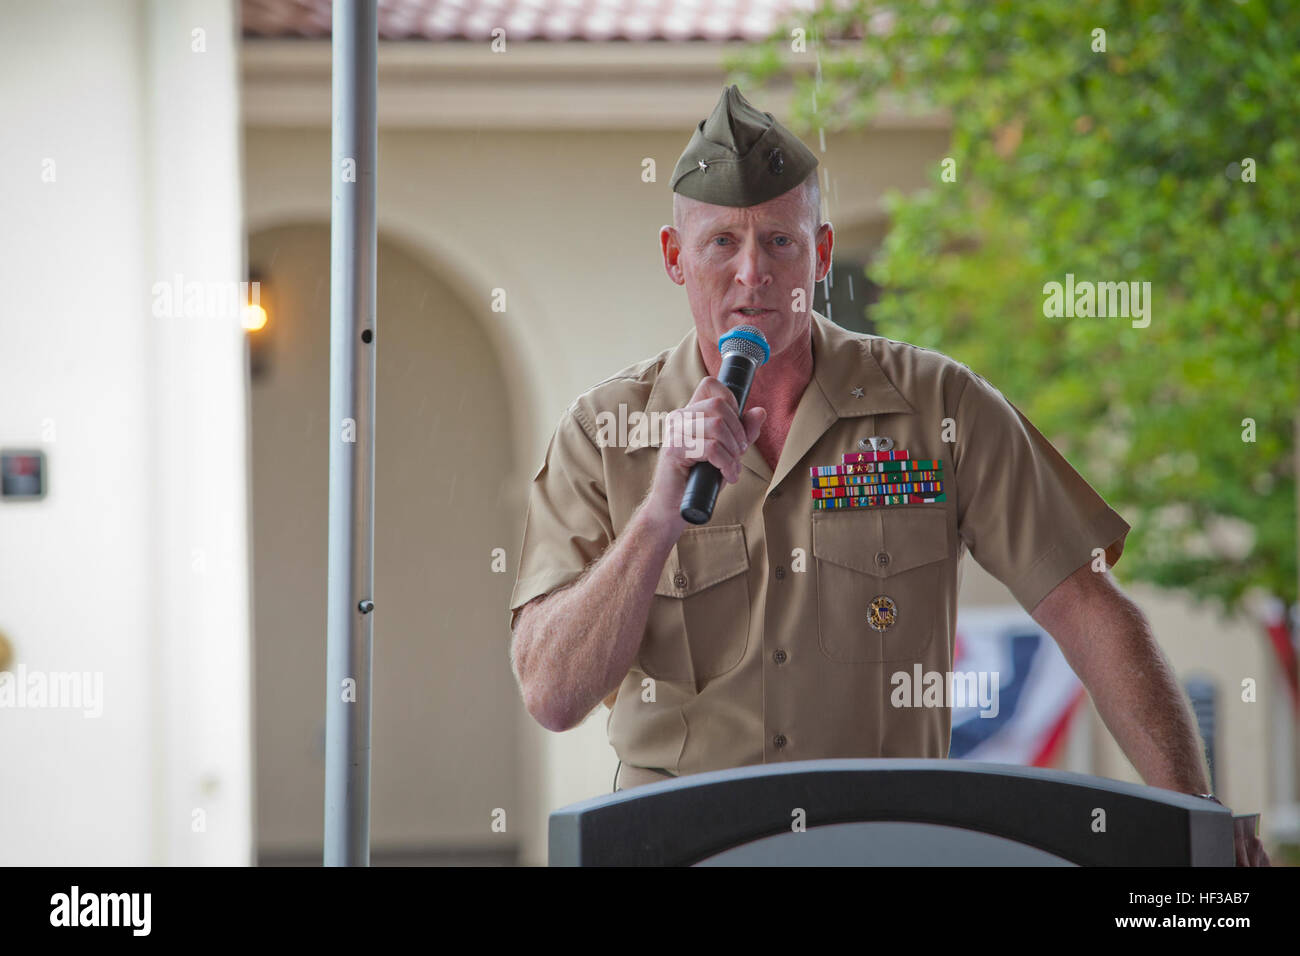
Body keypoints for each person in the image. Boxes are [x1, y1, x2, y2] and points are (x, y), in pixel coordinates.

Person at [508, 85, 1268, 866]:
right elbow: (551, 694)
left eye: (779, 242)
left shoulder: (938, 404)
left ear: (823, 254)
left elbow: (1086, 608)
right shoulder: (603, 436)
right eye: (721, 244)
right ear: (676, 258)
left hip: (883, 844)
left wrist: (1194, 821)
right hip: (681, 847)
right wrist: (657, 517)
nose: (752, 274)